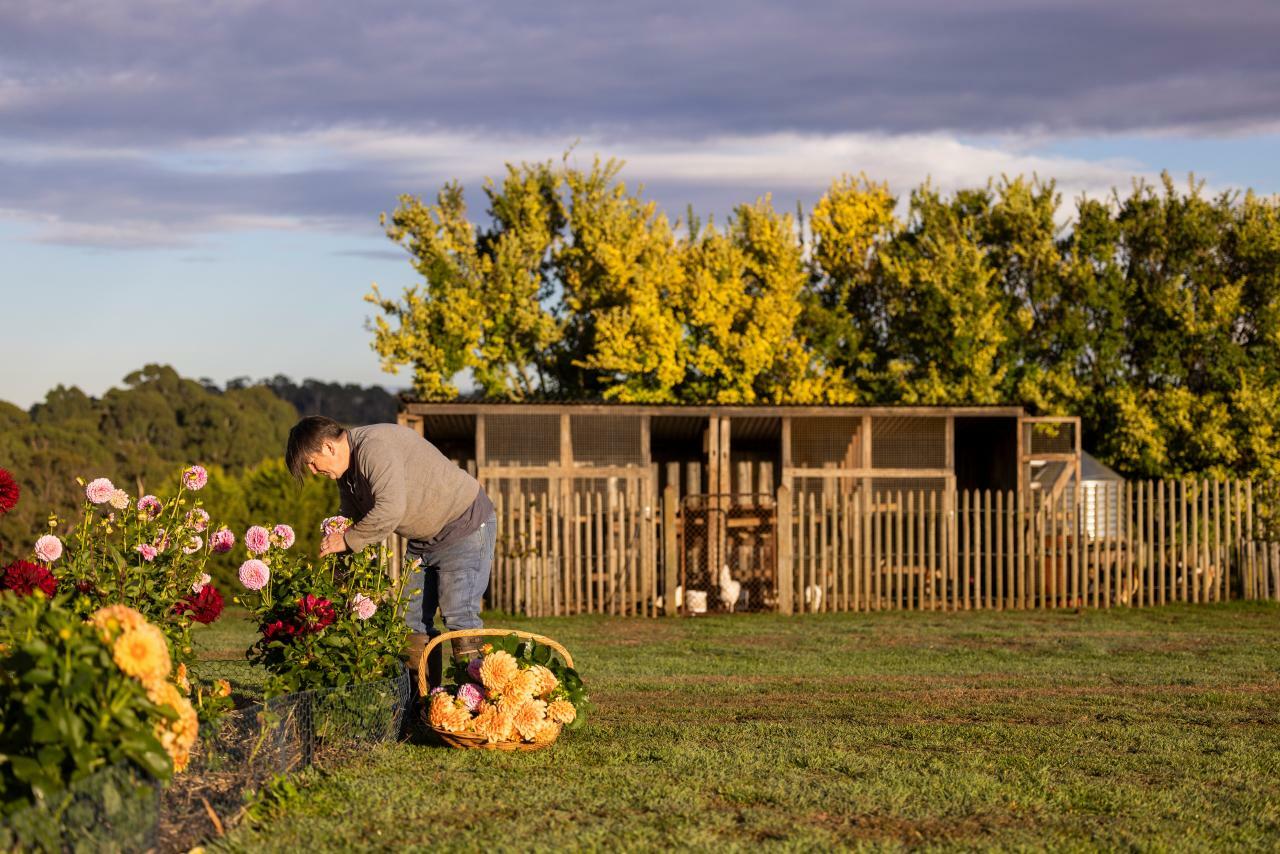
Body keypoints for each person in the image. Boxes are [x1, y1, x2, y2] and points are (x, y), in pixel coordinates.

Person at [285, 415, 495, 686]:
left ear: (328, 446)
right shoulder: (347, 473)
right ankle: (422, 703)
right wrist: (338, 556)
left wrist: (347, 539)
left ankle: (475, 707)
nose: (313, 471)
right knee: (409, 622)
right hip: (423, 541)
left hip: (463, 524)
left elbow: (389, 510)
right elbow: (350, 516)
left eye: (312, 462)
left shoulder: (374, 448)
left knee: (459, 616)